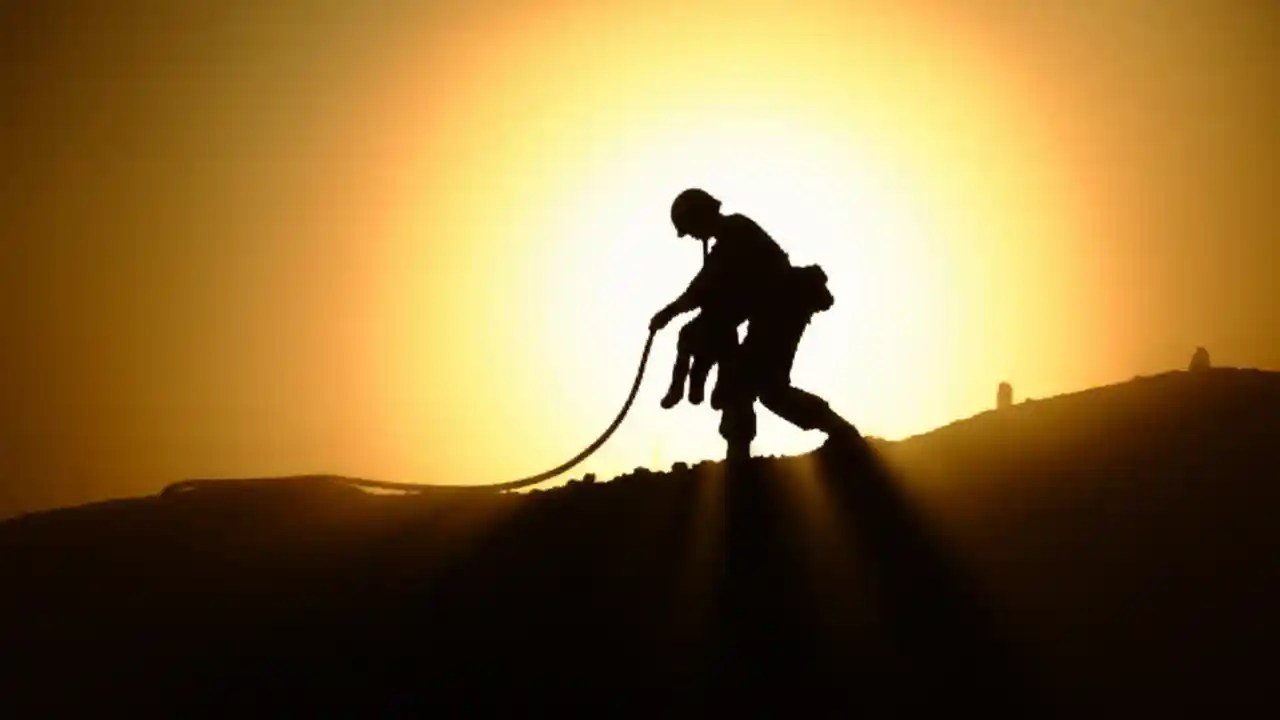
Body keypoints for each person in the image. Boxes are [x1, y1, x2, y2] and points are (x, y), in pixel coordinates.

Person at [650, 188, 861, 461]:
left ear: (700, 216)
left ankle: (838, 432)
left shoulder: (736, 231)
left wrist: (670, 313)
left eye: (688, 228)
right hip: (771, 314)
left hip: (781, 312)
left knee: (766, 389)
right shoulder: (727, 241)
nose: (690, 235)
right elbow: (719, 291)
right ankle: (740, 451)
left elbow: (707, 286)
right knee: (752, 387)